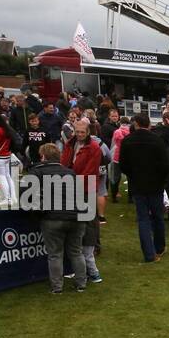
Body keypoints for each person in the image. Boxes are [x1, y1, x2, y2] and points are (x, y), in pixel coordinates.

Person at [31, 143, 87, 294]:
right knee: (76, 252)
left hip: (52, 218)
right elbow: (82, 196)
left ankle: (57, 288)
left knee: (55, 254)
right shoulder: (71, 173)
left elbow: (27, 196)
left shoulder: (37, 172)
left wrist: (38, 211)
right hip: (76, 217)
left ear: (43, 157)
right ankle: (81, 283)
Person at [117, 114, 169, 263]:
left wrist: (133, 175)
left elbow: (123, 165)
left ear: (136, 124)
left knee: (143, 219)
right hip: (156, 185)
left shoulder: (127, 141)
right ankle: (159, 247)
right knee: (158, 216)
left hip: (137, 184)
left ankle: (149, 253)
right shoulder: (157, 140)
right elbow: (165, 165)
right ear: (148, 124)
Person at [60, 119, 105, 282]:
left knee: (88, 225)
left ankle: (91, 267)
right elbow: (63, 164)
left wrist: (71, 181)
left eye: (82, 132)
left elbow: (90, 172)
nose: (79, 135)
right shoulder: (69, 144)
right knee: (74, 225)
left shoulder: (94, 148)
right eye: (76, 132)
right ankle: (80, 266)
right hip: (72, 186)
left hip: (86, 189)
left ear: (88, 132)